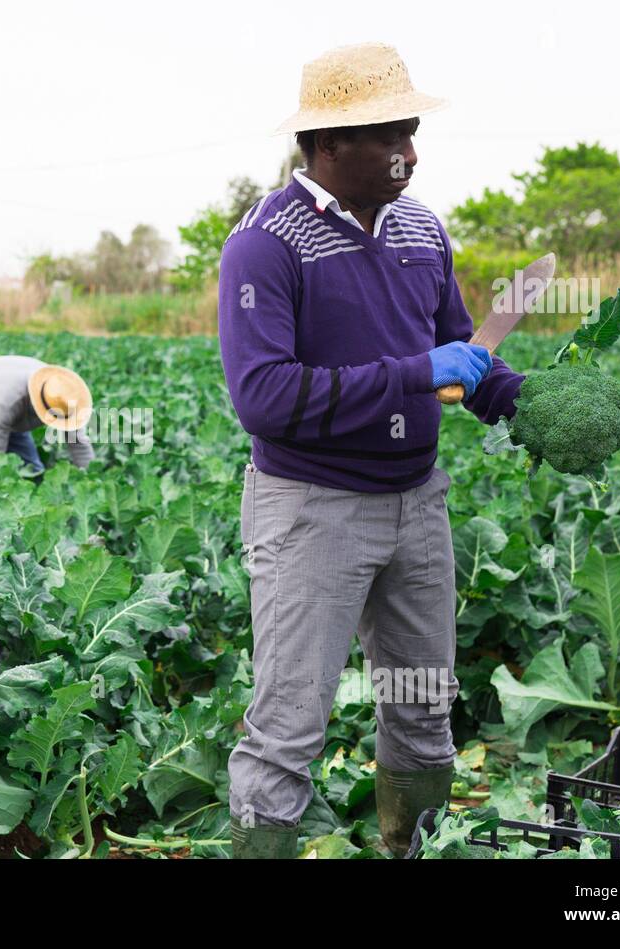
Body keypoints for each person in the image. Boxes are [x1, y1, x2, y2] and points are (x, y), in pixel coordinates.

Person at [218, 43, 525, 858]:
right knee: (288, 726)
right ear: (326, 144)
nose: (412, 153)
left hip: (416, 504)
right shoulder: (265, 244)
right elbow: (266, 396)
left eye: (413, 131)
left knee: (423, 711)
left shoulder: (424, 231)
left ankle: (409, 847)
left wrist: (529, 404)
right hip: (312, 509)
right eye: (391, 135)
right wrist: (413, 374)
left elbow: (461, 355)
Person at [0, 356, 94, 474]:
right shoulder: (8, 402)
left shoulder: (64, 398)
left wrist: (89, 477)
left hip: (8, 408)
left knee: (34, 471)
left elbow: (79, 445)